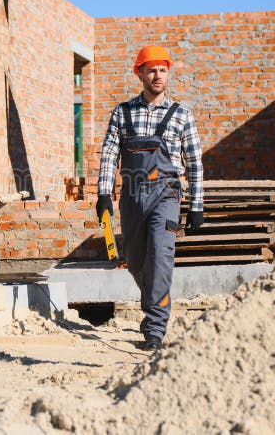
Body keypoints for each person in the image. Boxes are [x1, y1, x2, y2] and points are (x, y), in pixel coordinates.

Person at [96, 45, 204, 351]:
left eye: (163, 70)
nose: (158, 76)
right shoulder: (123, 112)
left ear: (168, 73)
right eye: (151, 70)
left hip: (166, 195)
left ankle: (155, 326)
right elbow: (109, 154)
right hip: (131, 196)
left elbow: (195, 162)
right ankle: (155, 304)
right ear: (140, 73)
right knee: (134, 260)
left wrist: (197, 205)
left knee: (160, 255)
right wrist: (104, 193)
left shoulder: (181, 114)